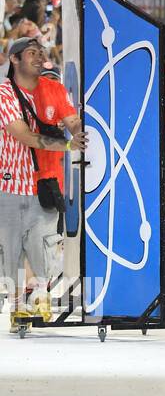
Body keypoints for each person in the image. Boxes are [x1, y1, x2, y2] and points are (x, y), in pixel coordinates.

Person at [1, 38, 87, 332]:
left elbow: (72, 119)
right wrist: (67, 143)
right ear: (14, 59)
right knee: (12, 250)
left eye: (42, 53)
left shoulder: (54, 89)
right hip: (10, 185)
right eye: (32, 53)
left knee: (44, 247)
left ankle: (38, 297)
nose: (40, 57)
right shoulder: (4, 94)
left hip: (48, 185)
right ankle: (17, 309)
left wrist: (77, 129)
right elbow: (23, 136)